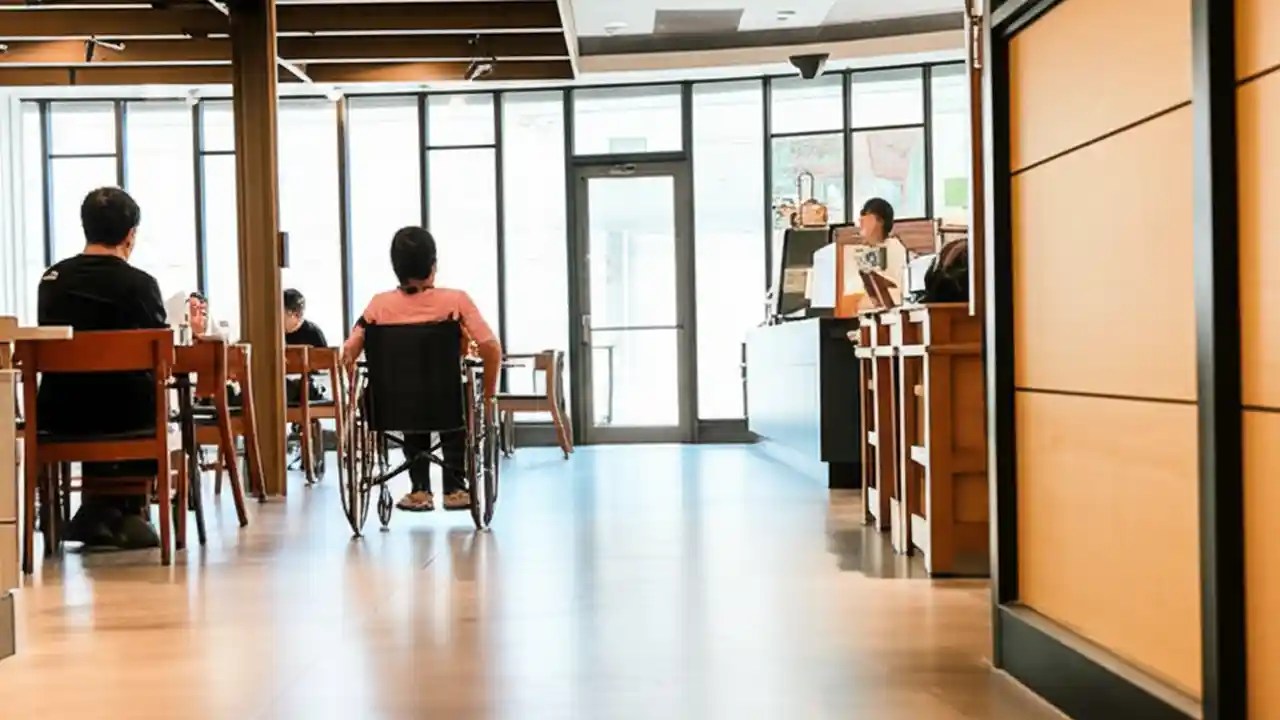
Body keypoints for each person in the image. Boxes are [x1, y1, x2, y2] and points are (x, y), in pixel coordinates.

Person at [37, 187, 167, 549]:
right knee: (138, 392)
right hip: (129, 419)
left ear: (85, 226)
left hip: (61, 416)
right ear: (130, 235)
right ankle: (127, 509)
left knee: (94, 392)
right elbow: (160, 353)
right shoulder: (141, 285)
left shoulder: (52, 281)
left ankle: (99, 511)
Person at [341, 227, 502, 513]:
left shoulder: (378, 306)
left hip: (392, 404)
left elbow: (347, 353)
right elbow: (491, 348)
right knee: (455, 396)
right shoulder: (456, 301)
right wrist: (488, 398)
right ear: (433, 264)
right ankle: (455, 487)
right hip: (447, 401)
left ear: (395, 266)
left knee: (408, 394)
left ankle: (419, 489)